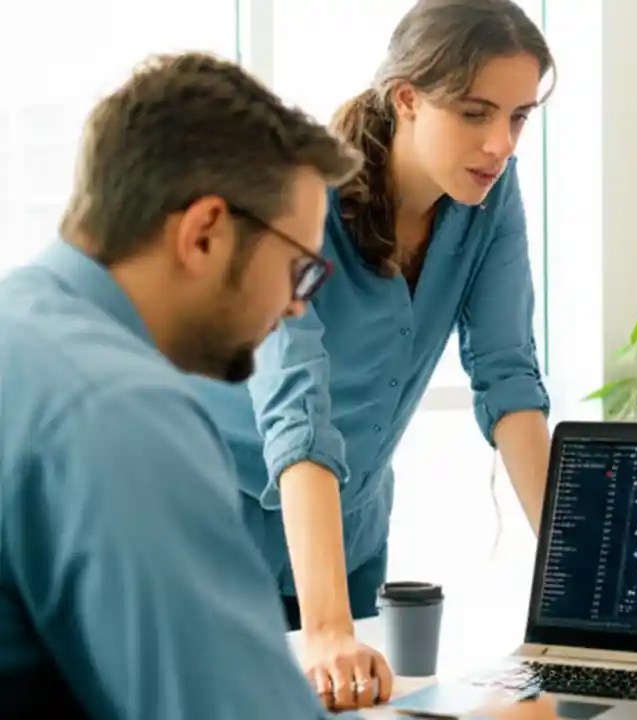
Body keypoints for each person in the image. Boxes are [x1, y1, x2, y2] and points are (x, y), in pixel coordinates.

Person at [188, 0, 556, 708]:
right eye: (477, 113)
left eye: (518, 116)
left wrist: (581, 589)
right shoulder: (292, 197)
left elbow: (509, 376)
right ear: (408, 98)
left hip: (347, 533)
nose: (502, 143)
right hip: (209, 523)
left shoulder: (490, 196)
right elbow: (297, 403)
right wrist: (326, 629)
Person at [0, 52, 362, 717]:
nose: (298, 307)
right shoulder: (121, 412)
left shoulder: (20, 337)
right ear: (204, 235)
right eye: (300, 270)